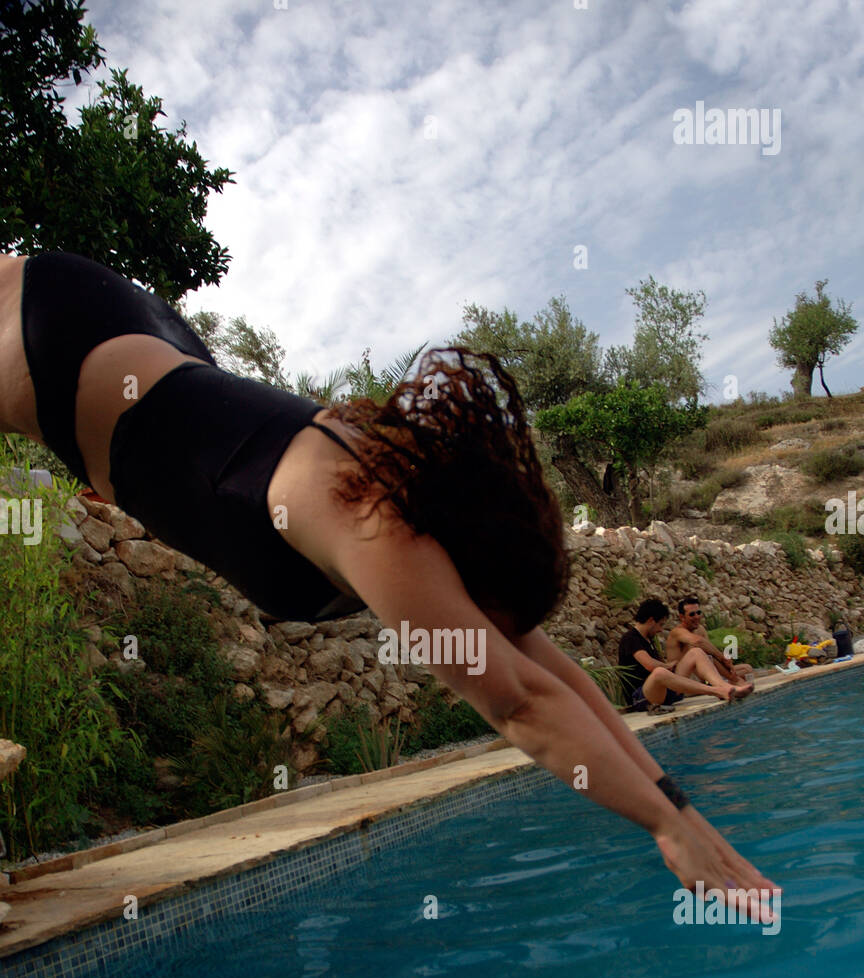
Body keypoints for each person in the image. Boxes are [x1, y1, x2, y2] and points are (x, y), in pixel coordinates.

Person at [0, 248, 777, 919]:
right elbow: (518, 700)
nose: (484, 630)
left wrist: (677, 805)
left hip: (138, 339)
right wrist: (668, 832)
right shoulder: (375, 520)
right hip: (63, 349)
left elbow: (554, 673)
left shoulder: (434, 524)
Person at [618, 599, 754, 712]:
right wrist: (667, 665)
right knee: (659, 672)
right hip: (642, 698)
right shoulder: (631, 638)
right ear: (651, 620)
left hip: (666, 693)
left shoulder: (649, 639)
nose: (660, 630)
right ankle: (717, 691)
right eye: (660, 625)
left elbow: (698, 644)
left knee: (696, 652)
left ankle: (725, 687)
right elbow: (649, 665)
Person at [666, 596, 754, 683]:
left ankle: (729, 679)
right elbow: (698, 642)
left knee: (747, 669)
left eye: (698, 613)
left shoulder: (700, 629)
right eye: (692, 614)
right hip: (685, 677)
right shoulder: (677, 632)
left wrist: (727, 663)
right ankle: (731, 680)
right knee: (699, 652)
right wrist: (722, 658)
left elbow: (711, 654)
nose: (696, 617)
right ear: (682, 617)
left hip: (704, 673)